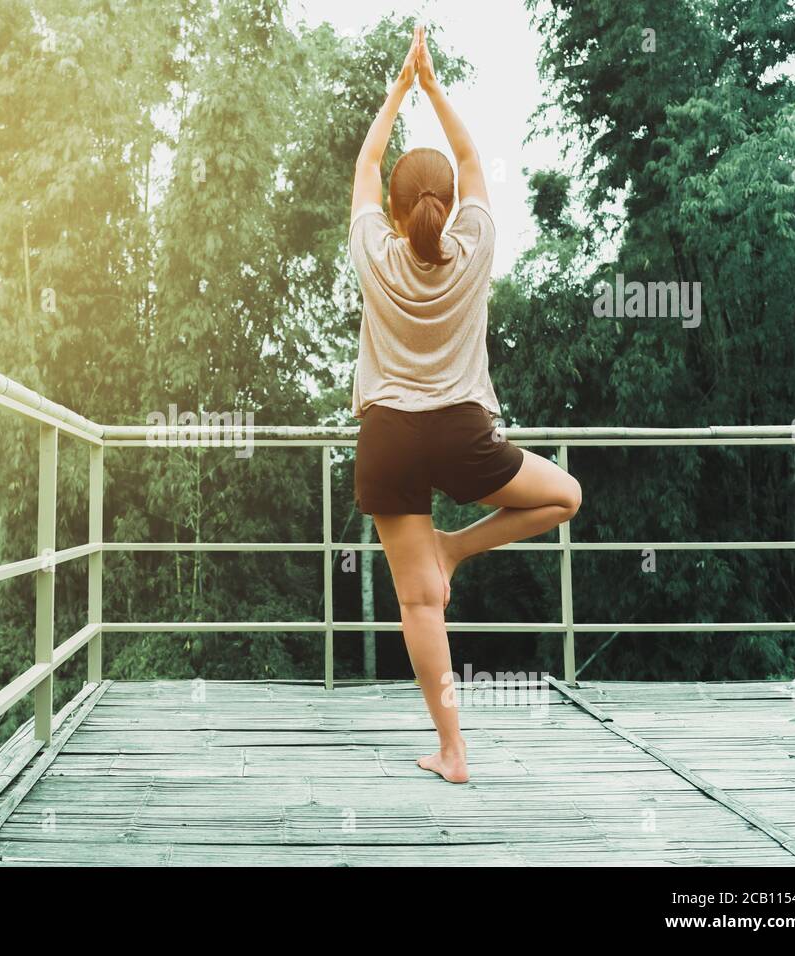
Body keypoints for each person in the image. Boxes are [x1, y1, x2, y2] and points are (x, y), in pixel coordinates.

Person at [349, 25, 582, 783]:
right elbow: (476, 160)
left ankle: (452, 751)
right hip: (461, 433)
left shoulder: (375, 250)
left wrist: (399, 87)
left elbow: (367, 162)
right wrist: (434, 83)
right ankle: (461, 547)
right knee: (564, 497)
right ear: (448, 207)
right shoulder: (474, 241)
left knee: (422, 605)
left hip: (387, 438)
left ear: (393, 207)